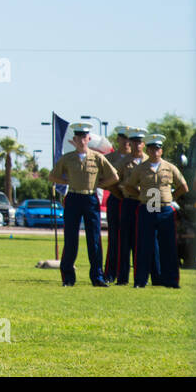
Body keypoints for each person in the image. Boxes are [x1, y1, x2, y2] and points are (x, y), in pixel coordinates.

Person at [49, 122, 119, 287]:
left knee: (94, 239)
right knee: (71, 239)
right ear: (74, 139)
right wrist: (66, 181)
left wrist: (100, 184)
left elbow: (114, 176)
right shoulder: (68, 158)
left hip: (90, 198)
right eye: (78, 137)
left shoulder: (97, 157)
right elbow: (53, 176)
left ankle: (97, 277)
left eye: (84, 137)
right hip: (73, 197)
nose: (82, 140)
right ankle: (68, 278)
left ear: (88, 138)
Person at [126, 133, 189, 288]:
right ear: (147, 150)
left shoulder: (169, 167)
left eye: (158, 149)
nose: (155, 152)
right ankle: (140, 280)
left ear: (161, 151)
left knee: (169, 247)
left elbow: (183, 186)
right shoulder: (141, 168)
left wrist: (171, 197)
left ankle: (171, 280)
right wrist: (141, 196)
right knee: (144, 246)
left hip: (165, 209)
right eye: (152, 149)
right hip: (147, 208)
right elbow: (129, 186)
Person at [112, 128, 147, 285]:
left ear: (143, 144)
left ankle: (145, 277)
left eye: (139, 142)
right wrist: (121, 196)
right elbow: (112, 181)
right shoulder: (123, 162)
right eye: (133, 142)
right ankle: (123, 277)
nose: (136, 144)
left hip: (147, 204)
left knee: (145, 241)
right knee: (125, 241)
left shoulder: (150, 161)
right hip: (129, 202)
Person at [102, 125, 132, 282]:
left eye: (129, 139)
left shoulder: (140, 159)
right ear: (118, 139)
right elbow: (101, 180)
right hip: (115, 199)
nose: (126, 142)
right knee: (114, 238)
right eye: (123, 138)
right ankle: (111, 273)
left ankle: (130, 274)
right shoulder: (109, 159)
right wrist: (114, 191)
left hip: (133, 200)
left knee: (134, 238)